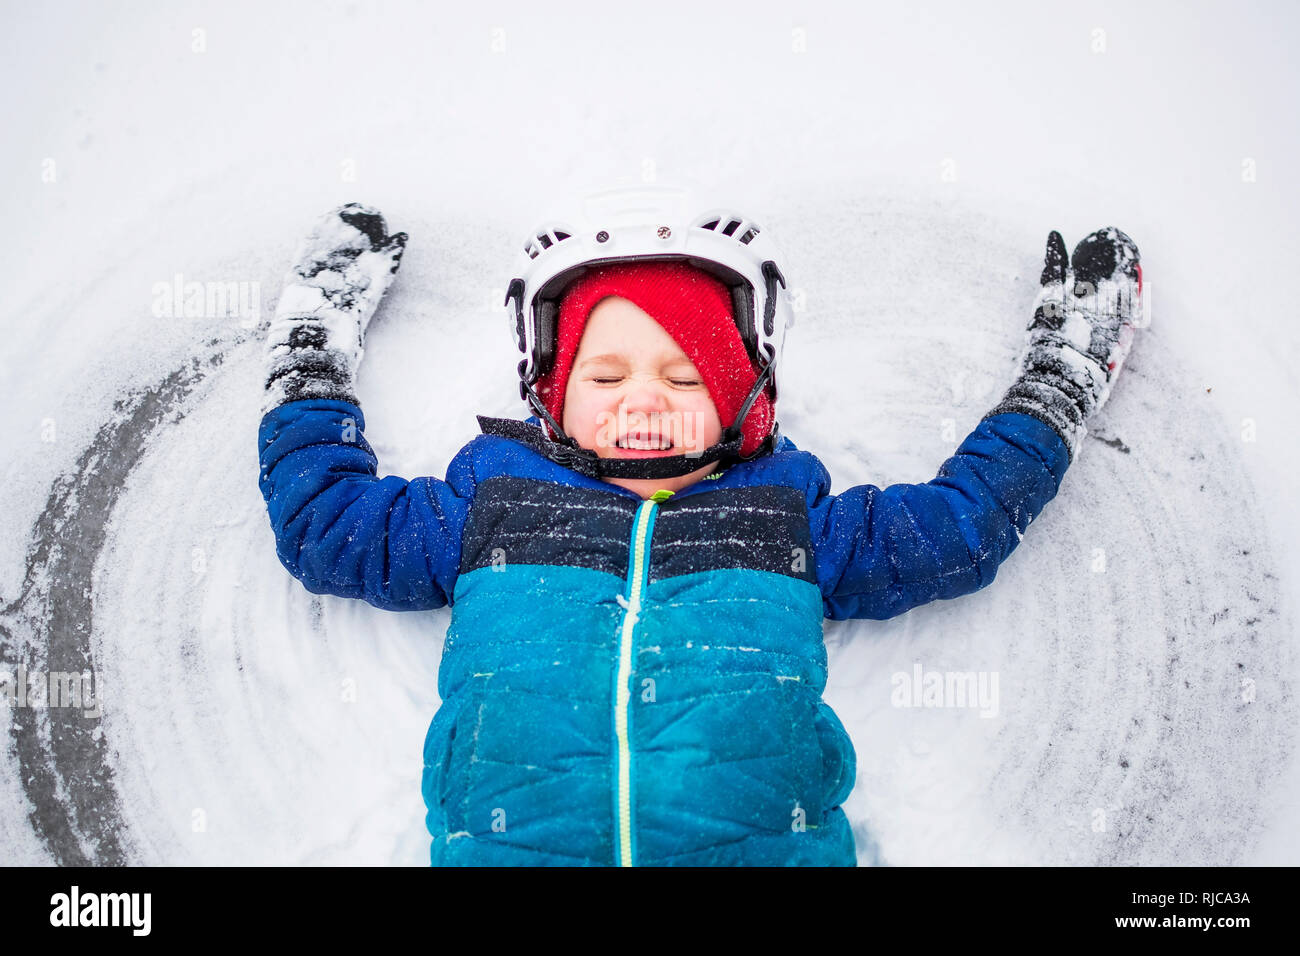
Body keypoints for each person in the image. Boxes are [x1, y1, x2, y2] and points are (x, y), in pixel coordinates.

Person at [257, 186, 1143, 866]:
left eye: (684, 380)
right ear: (550, 393)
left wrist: (1055, 386)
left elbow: (959, 528)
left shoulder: (786, 516)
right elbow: (329, 527)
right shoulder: (494, 501)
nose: (643, 396)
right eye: (606, 378)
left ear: (740, 404)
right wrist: (309, 354)